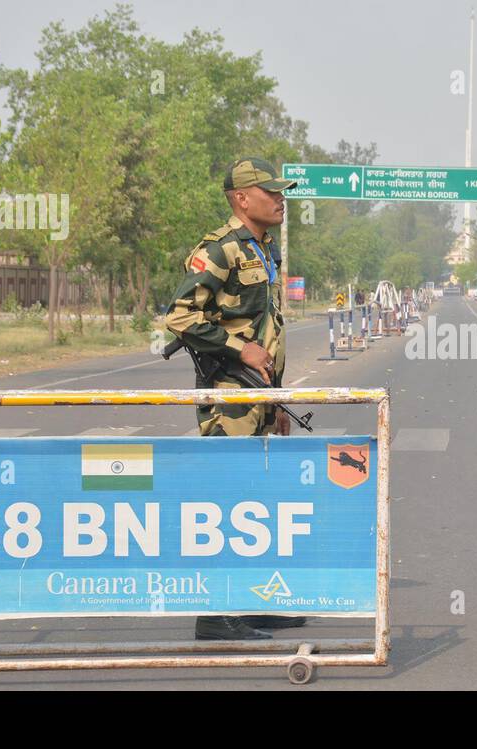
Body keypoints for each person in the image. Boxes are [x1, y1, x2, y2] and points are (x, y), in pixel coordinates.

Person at [164, 157, 303, 641]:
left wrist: (278, 399)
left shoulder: (265, 250)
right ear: (242, 198)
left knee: (257, 502)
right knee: (226, 501)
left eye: (282, 192)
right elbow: (180, 318)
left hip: (260, 397)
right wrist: (237, 347)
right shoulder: (218, 251)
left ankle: (252, 604)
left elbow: (270, 330)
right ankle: (215, 613)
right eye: (271, 192)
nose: (281, 199)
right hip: (228, 398)